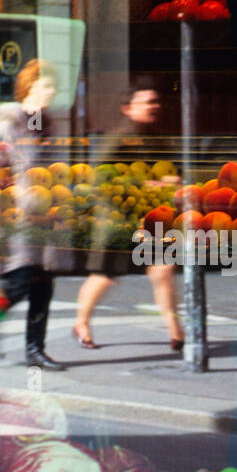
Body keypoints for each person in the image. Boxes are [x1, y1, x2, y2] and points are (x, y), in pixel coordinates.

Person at [71, 81, 186, 352]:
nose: (154, 106)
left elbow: (172, 171)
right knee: (104, 275)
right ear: (127, 108)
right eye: (147, 102)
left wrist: (174, 181)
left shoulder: (158, 137)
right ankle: (81, 323)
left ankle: (176, 332)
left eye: (156, 101)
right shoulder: (116, 139)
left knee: (162, 270)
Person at [0, 59, 65, 370]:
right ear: (29, 87)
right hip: (16, 222)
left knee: (43, 285)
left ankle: (35, 350)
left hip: (44, 222)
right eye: (45, 85)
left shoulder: (48, 127)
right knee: (20, 283)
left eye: (53, 86)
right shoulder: (8, 127)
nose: (51, 92)